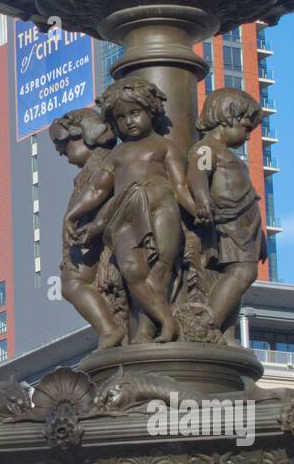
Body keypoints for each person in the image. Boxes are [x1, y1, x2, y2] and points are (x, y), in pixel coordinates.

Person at [78, 78, 197, 344]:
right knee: (131, 269)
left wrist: (195, 209)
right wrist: (78, 218)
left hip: (162, 206)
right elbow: (98, 190)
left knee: (161, 266)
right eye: (120, 117)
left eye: (134, 113)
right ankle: (167, 319)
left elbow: (179, 185)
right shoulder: (116, 154)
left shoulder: (164, 147)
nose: (129, 121)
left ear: (150, 110)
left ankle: (146, 330)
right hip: (124, 215)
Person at [187, 87, 267, 336]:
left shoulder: (229, 155)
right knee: (243, 272)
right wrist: (202, 198)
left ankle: (226, 333)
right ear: (227, 117)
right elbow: (198, 174)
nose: (248, 136)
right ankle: (205, 325)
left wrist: (261, 237)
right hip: (227, 223)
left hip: (246, 224)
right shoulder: (206, 148)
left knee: (238, 276)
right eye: (245, 128)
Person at [49, 106, 126, 349]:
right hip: (90, 235)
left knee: (72, 284)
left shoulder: (102, 164)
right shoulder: (96, 167)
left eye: (65, 149)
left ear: (84, 135)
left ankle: (109, 329)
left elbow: (112, 196)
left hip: (96, 237)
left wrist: (95, 225)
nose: (65, 157)